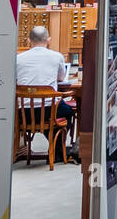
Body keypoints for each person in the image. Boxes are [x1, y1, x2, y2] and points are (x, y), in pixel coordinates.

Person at [16, 26, 74, 161]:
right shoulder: (56, 56)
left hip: (24, 113)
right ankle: (57, 151)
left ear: (29, 40)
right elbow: (61, 78)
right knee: (68, 111)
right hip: (50, 111)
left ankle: (45, 143)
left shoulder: (18, 58)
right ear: (48, 40)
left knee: (52, 112)